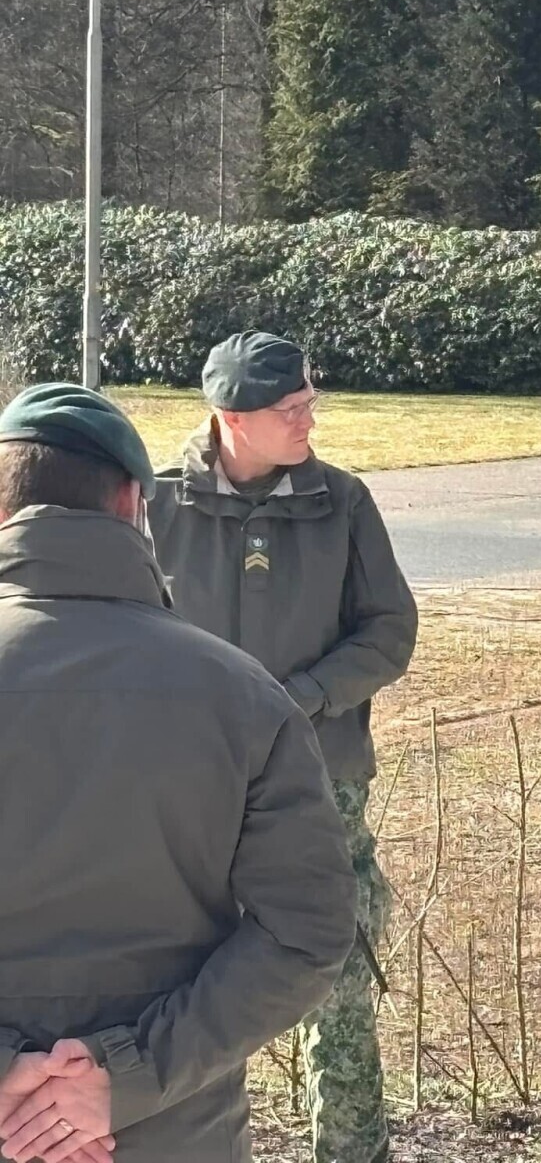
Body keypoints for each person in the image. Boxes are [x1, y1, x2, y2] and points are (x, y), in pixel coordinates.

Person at [0, 382, 355, 1163]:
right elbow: (309, 930)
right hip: (172, 1132)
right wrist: (119, 1080)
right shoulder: (242, 694)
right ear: (134, 504)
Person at [148, 333, 417, 1163]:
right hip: (190, 782)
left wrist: (302, 701)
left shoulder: (343, 502)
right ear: (232, 418)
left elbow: (389, 631)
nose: (310, 418)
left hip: (318, 774)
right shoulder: (154, 507)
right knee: (181, 976)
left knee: (334, 971)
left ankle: (349, 1150)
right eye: (289, 408)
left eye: (310, 400)